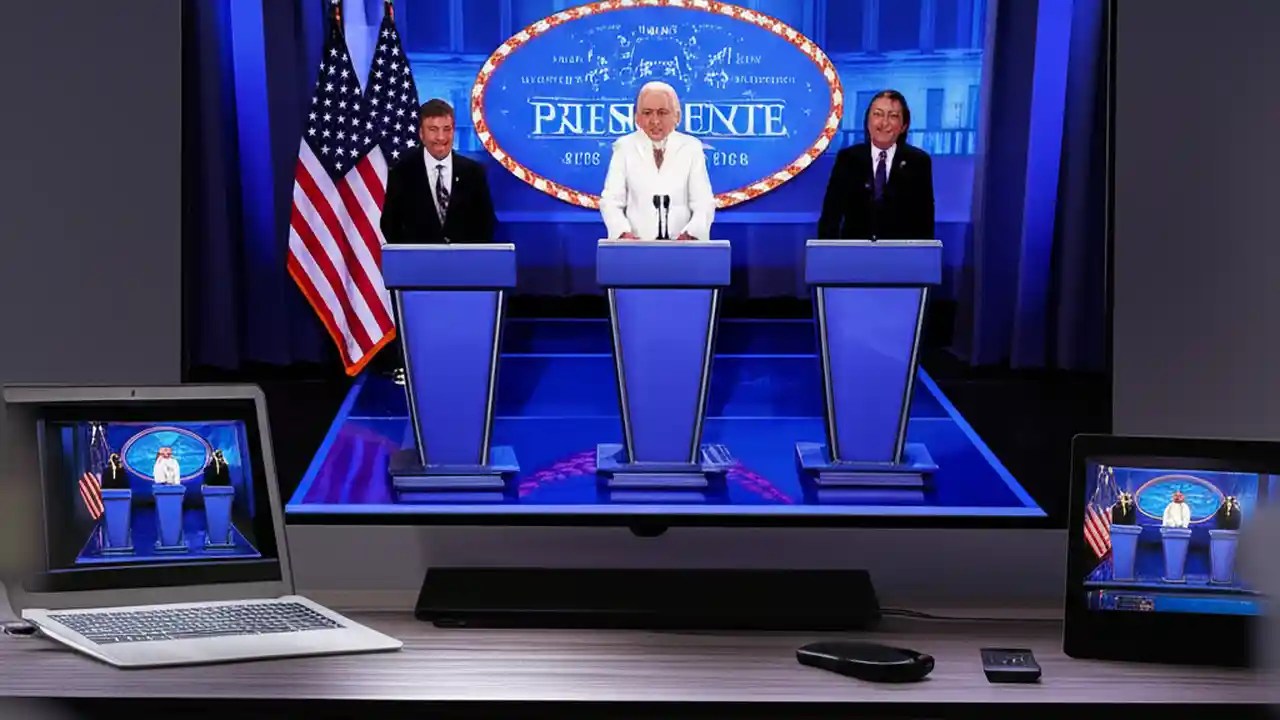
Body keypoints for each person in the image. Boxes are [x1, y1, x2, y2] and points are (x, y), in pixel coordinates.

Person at [600, 81, 715, 241]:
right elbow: (611, 201)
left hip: (683, 248)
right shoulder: (624, 147)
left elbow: (703, 202)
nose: (655, 121)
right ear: (637, 118)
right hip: (635, 248)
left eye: (662, 113)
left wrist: (691, 234)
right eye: (647, 113)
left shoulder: (691, 148)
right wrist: (623, 234)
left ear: (677, 116)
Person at [817, 89, 935, 241]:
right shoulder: (848, 159)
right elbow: (830, 218)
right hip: (855, 252)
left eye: (893, 116)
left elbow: (925, 223)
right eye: (878, 114)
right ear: (867, 122)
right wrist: (829, 252)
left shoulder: (918, 162)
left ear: (904, 126)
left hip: (900, 253)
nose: (884, 123)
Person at [380, 98, 497, 245]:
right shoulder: (402, 172)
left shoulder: (474, 172)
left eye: (446, 129)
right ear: (421, 133)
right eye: (433, 129)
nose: (441, 137)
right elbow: (390, 225)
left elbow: (486, 225)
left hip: (463, 258)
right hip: (419, 258)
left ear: (453, 131)